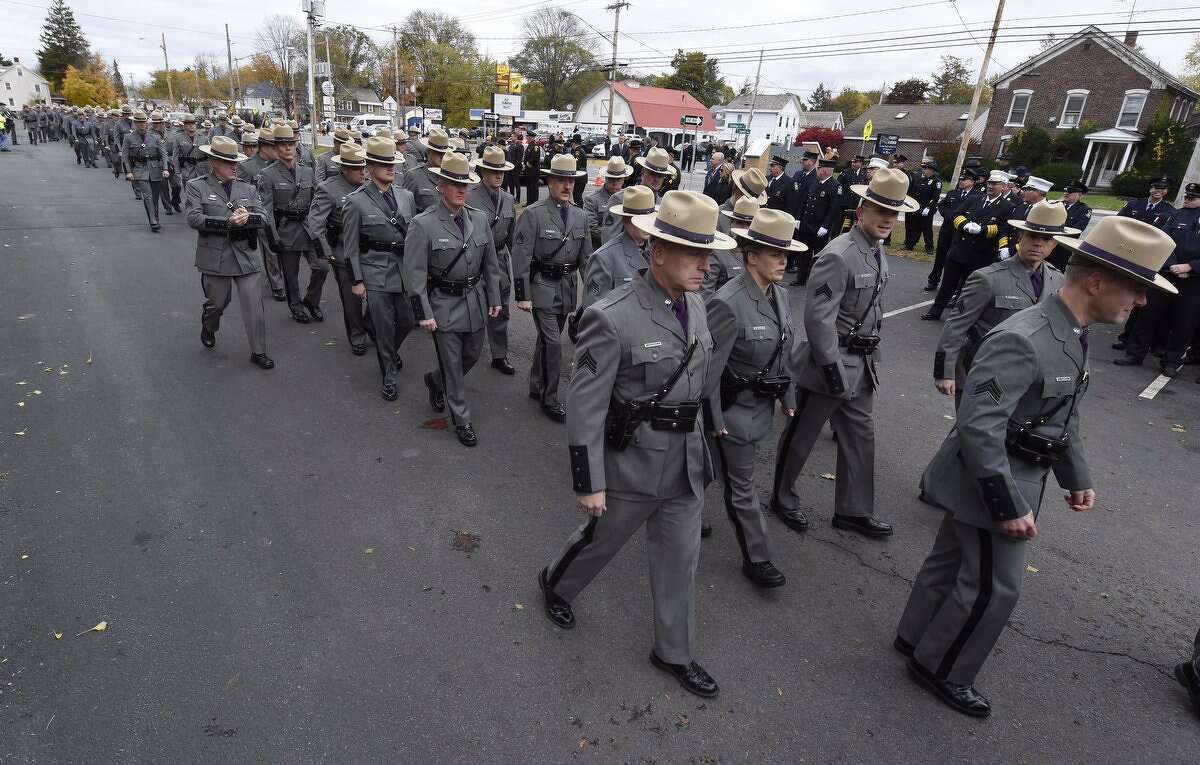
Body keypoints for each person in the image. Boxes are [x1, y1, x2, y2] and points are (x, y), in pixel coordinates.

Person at [897, 215, 1175, 718]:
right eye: (1135, 289)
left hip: (1014, 469)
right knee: (995, 586)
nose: (1142, 302)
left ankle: (914, 637)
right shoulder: (1025, 336)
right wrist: (1006, 505)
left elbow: (1060, 413)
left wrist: (1077, 476)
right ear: (1096, 282)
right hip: (992, 480)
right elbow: (978, 427)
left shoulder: (1069, 328)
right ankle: (938, 667)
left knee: (949, 562)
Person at [537, 190, 734, 699]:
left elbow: (701, 378)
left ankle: (674, 651)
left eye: (709, 254)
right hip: (633, 463)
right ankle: (556, 585)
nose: (705, 266)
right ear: (659, 251)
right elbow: (584, 406)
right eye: (694, 254)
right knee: (599, 541)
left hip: (686, 462)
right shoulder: (612, 316)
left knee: (680, 559)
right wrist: (589, 481)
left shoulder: (697, 305)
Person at [769, 168, 917, 539]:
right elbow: (819, 318)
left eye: (894, 213)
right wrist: (831, 367)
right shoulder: (840, 253)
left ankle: (853, 510)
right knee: (802, 435)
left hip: (863, 364)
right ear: (862, 208)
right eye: (880, 210)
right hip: (831, 362)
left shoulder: (874, 251)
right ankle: (782, 497)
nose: (888, 219)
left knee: (860, 437)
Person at [706, 207, 804, 587]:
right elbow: (709, 373)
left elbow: (785, 352)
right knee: (742, 487)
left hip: (759, 407)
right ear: (752, 255)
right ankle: (757, 558)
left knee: (701, 472)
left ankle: (676, 513)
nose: (784, 261)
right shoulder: (727, 302)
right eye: (776, 254)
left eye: (787, 255)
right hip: (732, 414)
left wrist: (787, 395)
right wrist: (715, 423)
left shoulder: (780, 294)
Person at [932, 200, 1079, 405]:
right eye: (1033, 236)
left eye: (1046, 239)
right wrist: (945, 372)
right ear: (1020, 236)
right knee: (974, 435)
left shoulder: (1057, 280)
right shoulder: (988, 278)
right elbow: (956, 326)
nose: (1038, 243)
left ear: (1055, 244)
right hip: (985, 376)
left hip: (1029, 382)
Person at [403, 151, 503, 447]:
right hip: (443, 304)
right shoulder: (423, 224)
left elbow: (491, 265)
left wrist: (494, 297)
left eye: (465, 185)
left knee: (472, 355)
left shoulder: (480, 219)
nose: (462, 190)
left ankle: (436, 380)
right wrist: (424, 312)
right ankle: (462, 419)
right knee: (453, 363)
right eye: (454, 184)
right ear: (440, 186)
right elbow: (415, 275)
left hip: (474, 299)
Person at [512, 153, 593, 422]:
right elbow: (521, 257)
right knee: (553, 344)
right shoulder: (534, 214)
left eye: (571, 180)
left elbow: (586, 260)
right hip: (542, 288)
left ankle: (536, 385)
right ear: (549, 181)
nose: (567, 186)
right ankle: (550, 397)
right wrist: (522, 296)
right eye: (560, 180)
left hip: (567, 289)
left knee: (545, 342)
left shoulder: (581, 216)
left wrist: (592, 296)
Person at [184, 135, 274, 370]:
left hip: (246, 255)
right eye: (228, 162)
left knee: (253, 304)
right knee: (218, 302)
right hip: (216, 256)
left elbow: (264, 217)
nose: (235, 166)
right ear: (214, 162)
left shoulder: (248, 188)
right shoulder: (197, 186)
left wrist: (248, 218)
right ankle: (209, 324)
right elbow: (193, 218)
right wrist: (227, 223)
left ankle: (258, 351)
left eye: (235, 161)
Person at [340, 137, 414, 399]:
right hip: (375, 271)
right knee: (384, 328)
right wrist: (357, 280)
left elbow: (413, 239)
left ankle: (389, 351)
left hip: (403, 270)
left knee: (407, 320)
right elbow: (350, 247)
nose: (391, 168)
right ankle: (389, 375)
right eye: (384, 164)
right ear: (370, 167)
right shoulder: (355, 201)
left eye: (393, 163)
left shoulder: (407, 197)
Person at [1113, 182, 1200, 378]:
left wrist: (1191, 267)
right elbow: (1163, 241)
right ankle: (1135, 353)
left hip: (1194, 282)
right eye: (1186, 197)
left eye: (1192, 198)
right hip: (1168, 274)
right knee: (1147, 315)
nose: (1187, 200)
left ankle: (1171, 361)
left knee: (1184, 322)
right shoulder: (1176, 216)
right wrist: (1172, 265)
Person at [307, 141, 372, 357]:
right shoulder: (328, 189)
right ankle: (357, 335)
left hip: (371, 249)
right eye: (356, 168)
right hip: (343, 249)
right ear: (344, 168)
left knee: (380, 296)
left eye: (363, 167)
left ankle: (370, 326)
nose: (361, 172)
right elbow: (315, 224)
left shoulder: (370, 185)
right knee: (351, 298)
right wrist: (327, 252)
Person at [922, 170, 1016, 320]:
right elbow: (956, 214)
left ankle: (959, 317)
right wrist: (964, 224)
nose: (991, 186)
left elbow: (1003, 229)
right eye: (990, 183)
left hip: (981, 254)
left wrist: (982, 230)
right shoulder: (974, 199)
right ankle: (935, 311)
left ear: (1004, 186)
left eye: (995, 184)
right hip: (959, 248)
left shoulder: (1007, 206)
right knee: (948, 283)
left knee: (969, 288)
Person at [258, 123, 327, 324]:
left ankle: (311, 301)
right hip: (286, 229)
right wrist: (273, 237)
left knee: (322, 267)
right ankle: (296, 306)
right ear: (276, 147)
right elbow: (266, 210)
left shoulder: (307, 172)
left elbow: (317, 202)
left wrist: (320, 229)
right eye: (283, 144)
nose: (288, 148)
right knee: (291, 274)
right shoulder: (267, 174)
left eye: (291, 143)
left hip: (308, 227)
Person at [468, 145, 518, 375]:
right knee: (475, 309)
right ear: (482, 171)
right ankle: (466, 353)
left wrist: (517, 271)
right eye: (492, 170)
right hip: (475, 261)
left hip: (498, 260)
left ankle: (499, 355)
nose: (498, 175)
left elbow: (512, 238)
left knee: (501, 309)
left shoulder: (508, 199)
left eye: (501, 171)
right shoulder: (470, 197)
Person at [582, 185, 655, 309]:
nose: (647, 223)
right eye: (640, 218)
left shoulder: (655, 253)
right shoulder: (604, 258)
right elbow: (593, 308)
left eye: (650, 218)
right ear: (626, 220)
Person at [602, 147, 674, 244]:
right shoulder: (621, 198)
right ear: (643, 173)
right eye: (653, 174)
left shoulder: (662, 204)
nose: (657, 179)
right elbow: (609, 238)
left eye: (660, 175)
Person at [925, 168, 980, 292]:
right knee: (940, 257)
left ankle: (953, 286)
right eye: (961, 179)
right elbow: (942, 205)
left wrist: (962, 221)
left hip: (962, 233)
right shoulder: (952, 193)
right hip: (947, 230)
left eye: (965, 179)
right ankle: (933, 280)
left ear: (972, 182)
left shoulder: (977, 197)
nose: (961, 181)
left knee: (957, 259)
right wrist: (951, 217)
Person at [793, 157, 842, 285]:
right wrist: (798, 218)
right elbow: (804, 202)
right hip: (806, 224)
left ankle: (815, 279)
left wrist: (825, 226)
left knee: (818, 256)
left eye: (819, 169)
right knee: (804, 253)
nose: (817, 172)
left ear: (825, 171)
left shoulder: (835, 186)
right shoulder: (814, 183)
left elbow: (833, 209)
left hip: (819, 227)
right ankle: (801, 278)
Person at [123, 111, 169, 233]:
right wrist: (129, 171)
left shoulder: (155, 137)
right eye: (139, 122)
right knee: (147, 196)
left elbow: (164, 154)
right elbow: (125, 156)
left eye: (144, 121)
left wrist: (165, 168)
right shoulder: (128, 138)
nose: (142, 124)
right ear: (135, 123)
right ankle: (153, 221)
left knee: (154, 197)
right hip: (139, 169)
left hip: (155, 169)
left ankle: (156, 218)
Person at [586, 157, 633, 250]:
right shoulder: (592, 199)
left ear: (624, 179)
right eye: (611, 179)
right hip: (601, 249)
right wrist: (615, 240)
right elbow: (592, 227)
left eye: (618, 179)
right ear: (606, 178)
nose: (615, 183)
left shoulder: (630, 199)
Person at [403, 126, 453, 214]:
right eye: (438, 153)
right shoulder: (414, 176)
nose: (442, 156)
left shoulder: (452, 176)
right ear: (428, 152)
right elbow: (406, 210)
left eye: (445, 153)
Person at [1049, 180, 1093, 270]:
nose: (1066, 193)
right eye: (1065, 191)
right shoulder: (1056, 205)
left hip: (1063, 249)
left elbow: (1077, 230)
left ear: (1079, 195)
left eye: (1070, 192)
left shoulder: (1084, 210)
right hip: (1047, 244)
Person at [901, 159, 942, 253]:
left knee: (926, 228)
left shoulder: (937, 181)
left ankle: (929, 247)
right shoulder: (920, 180)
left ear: (932, 170)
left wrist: (929, 207)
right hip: (918, 206)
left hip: (928, 208)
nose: (924, 170)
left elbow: (935, 196)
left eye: (926, 168)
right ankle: (910, 245)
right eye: (924, 168)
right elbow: (915, 193)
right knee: (914, 226)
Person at [835, 156, 868, 235]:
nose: (853, 164)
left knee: (851, 222)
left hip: (856, 204)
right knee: (839, 221)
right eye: (852, 162)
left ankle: (848, 235)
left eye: (855, 162)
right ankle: (835, 235)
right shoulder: (845, 172)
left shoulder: (864, 174)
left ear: (861, 163)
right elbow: (839, 186)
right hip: (845, 202)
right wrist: (840, 198)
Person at [523, 132, 543, 205]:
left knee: (533, 187)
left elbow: (534, 158)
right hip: (529, 170)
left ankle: (534, 203)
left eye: (527, 137)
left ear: (530, 137)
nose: (526, 138)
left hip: (533, 171)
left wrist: (527, 164)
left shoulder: (535, 146)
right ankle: (529, 202)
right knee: (529, 187)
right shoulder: (530, 145)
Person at [570, 134, 589, 207]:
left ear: (573, 143)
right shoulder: (581, 150)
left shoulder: (577, 152)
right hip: (582, 177)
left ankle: (579, 211)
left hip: (579, 177)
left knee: (577, 196)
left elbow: (576, 166)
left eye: (572, 144)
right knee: (577, 195)